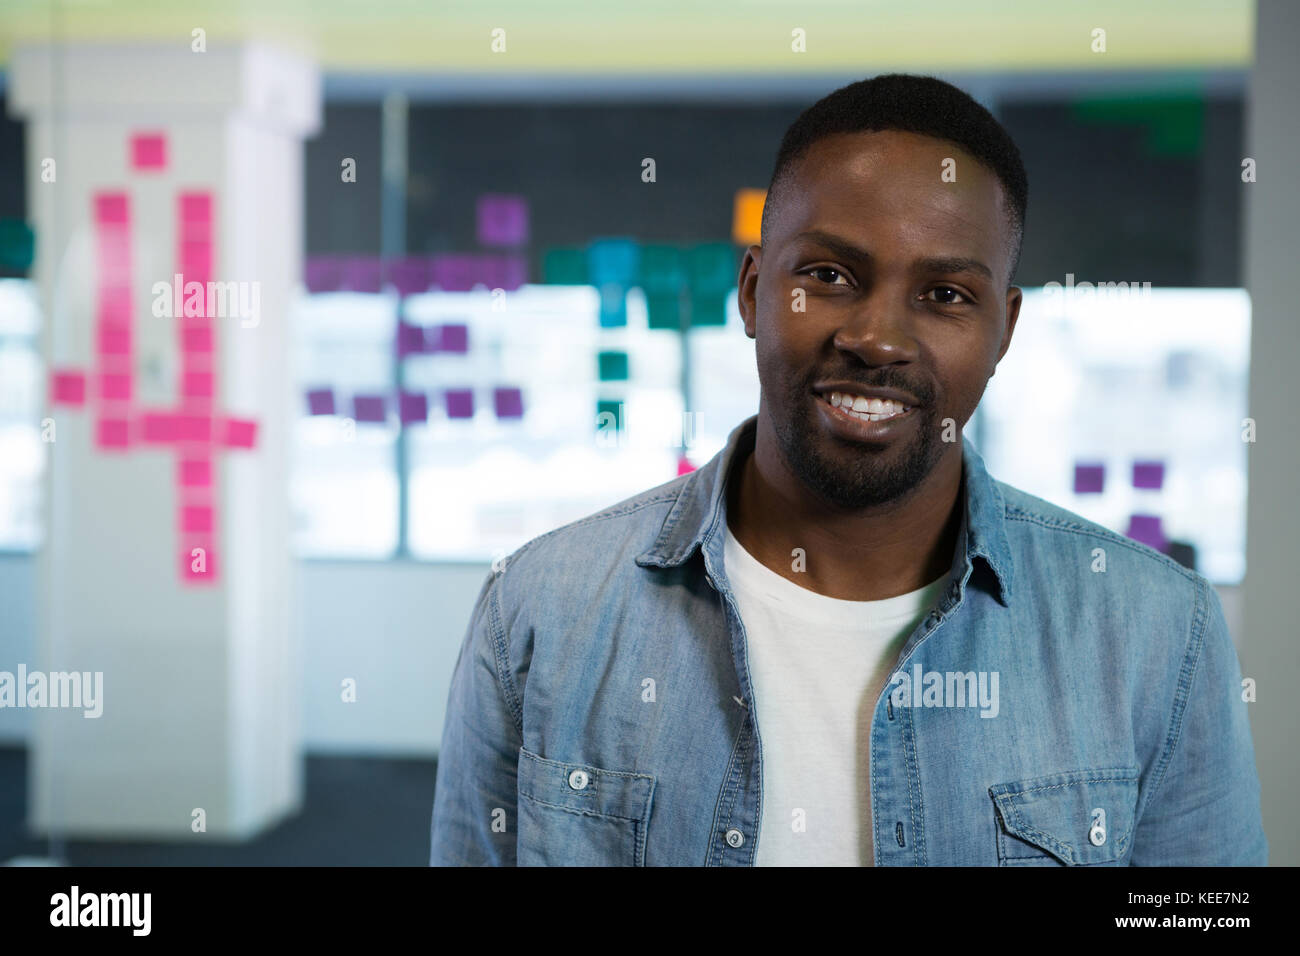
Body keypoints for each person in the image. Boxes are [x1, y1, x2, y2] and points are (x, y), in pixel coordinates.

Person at [429, 73, 1267, 866]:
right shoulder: (540, 608)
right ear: (754, 290)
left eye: (945, 294)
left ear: (1003, 331)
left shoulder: (1156, 634)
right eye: (829, 276)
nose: (878, 338)